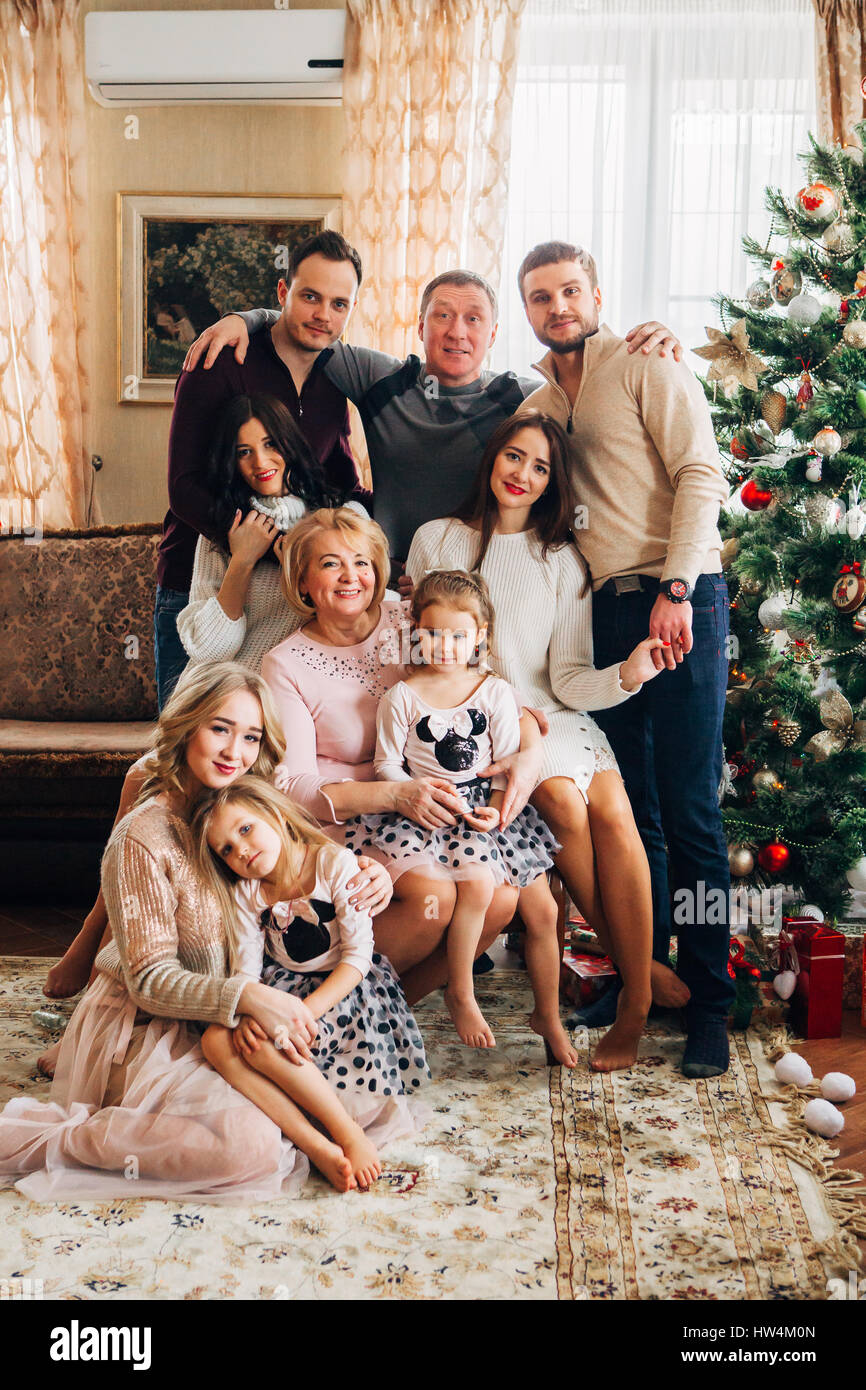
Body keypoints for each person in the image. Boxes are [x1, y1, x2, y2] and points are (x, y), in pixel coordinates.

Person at [0, 663, 394, 1201]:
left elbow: (312, 854)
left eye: (250, 735)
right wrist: (250, 997)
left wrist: (373, 875)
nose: (236, 750)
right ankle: (49, 1141)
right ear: (187, 725)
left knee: (356, 1103)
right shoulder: (143, 835)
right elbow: (150, 980)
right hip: (152, 1018)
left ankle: (305, 1131)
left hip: (231, 1011)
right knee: (247, 1149)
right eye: (220, 728)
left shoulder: (246, 799)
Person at [516, 241, 734, 1078]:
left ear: (596, 294)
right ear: (529, 311)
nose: (558, 306)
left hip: (683, 597)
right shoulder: (538, 404)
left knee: (692, 810)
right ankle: (647, 976)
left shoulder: (646, 364)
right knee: (634, 817)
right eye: (541, 297)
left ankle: (710, 1002)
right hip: (604, 613)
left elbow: (701, 474)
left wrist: (676, 590)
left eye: (570, 291)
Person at [406, 412, 667, 1072]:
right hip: (487, 724)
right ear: (493, 459)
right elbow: (414, 650)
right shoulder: (437, 539)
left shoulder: (562, 560)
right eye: (514, 458)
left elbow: (571, 677)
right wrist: (501, 712)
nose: (522, 475)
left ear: (554, 483)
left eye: (541, 467)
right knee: (564, 803)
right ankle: (639, 975)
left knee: (612, 811)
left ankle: (635, 996)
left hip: (562, 714)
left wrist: (627, 675)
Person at [183, 271, 682, 574]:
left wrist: (653, 341)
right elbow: (308, 325)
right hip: (376, 582)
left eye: (473, 319)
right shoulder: (380, 377)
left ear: (493, 333)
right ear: (420, 327)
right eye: (442, 316)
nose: (457, 332)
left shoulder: (525, 401)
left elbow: (597, 389)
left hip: (473, 589)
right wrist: (245, 318)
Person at [260, 506, 548, 1010]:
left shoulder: (408, 620)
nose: (351, 577)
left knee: (502, 899)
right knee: (431, 905)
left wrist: (530, 749)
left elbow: (488, 693)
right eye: (330, 565)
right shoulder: (284, 663)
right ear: (303, 581)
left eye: (362, 562)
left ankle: (394, 1015)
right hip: (353, 813)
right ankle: (342, 1011)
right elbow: (293, 787)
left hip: (445, 801)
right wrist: (394, 793)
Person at [344, 569, 566, 1060]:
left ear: (480, 637)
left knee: (542, 909)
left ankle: (545, 1013)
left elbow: (508, 760)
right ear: (416, 634)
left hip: (489, 811)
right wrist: (410, 790)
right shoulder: (401, 697)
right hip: (428, 813)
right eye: (434, 634)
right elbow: (385, 762)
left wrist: (493, 807)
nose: (446, 646)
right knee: (479, 888)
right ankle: (460, 990)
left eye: (459, 636)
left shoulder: (494, 692)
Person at [156, 229, 368, 708]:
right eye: (310, 296)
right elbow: (184, 488)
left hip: (285, 606)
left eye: (339, 304)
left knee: (269, 757)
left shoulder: (334, 381)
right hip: (199, 592)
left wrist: (375, 552)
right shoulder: (220, 360)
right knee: (181, 756)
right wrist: (281, 547)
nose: (323, 315)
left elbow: (340, 486)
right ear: (282, 293)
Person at [192, 777, 429, 1189]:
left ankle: (346, 1132)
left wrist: (296, 1016)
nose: (241, 850)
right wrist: (253, 1007)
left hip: (345, 991)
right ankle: (315, 1144)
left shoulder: (333, 863)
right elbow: (247, 970)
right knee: (215, 1040)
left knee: (270, 1044)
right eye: (226, 849)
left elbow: (358, 958)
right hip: (281, 988)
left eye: (246, 829)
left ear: (279, 817)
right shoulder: (247, 892)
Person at [177, 392, 367, 673]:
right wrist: (242, 560)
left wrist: (300, 567)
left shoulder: (343, 517)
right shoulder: (223, 527)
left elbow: (363, 615)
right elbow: (209, 650)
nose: (260, 462)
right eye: (244, 452)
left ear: (290, 442)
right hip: (227, 688)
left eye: (270, 444)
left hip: (305, 690)